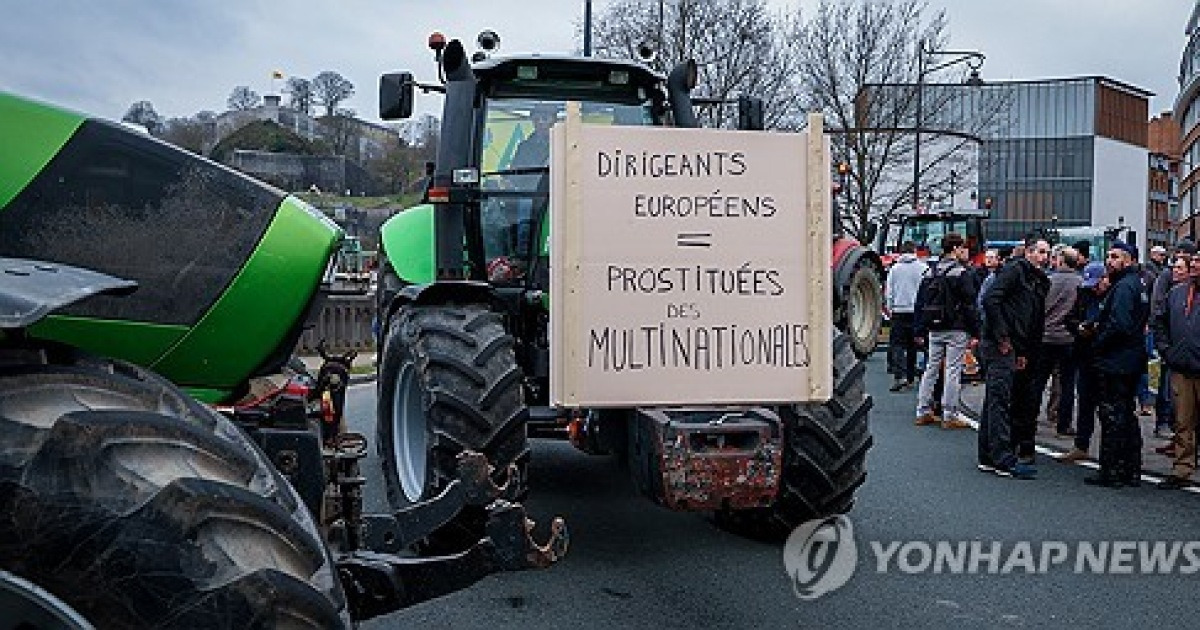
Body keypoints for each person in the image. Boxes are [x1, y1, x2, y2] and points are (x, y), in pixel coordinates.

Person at [978, 237, 1049, 479]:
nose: (1044, 257)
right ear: (1028, 252)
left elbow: (1029, 318)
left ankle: (989, 455)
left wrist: (1023, 350)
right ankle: (1001, 458)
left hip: (1012, 345)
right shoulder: (1015, 272)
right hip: (1001, 345)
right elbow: (991, 300)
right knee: (1000, 400)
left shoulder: (1035, 280)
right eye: (1040, 252)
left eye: (1046, 253)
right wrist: (1002, 337)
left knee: (995, 400)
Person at [1085, 241, 1150, 487]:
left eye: (1115, 257)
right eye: (1108, 256)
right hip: (1130, 358)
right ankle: (1130, 468)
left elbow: (1119, 324)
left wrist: (1098, 340)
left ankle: (1112, 469)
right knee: (1126, 413)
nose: (1109, 261)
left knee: (1113, 414)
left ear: (1129, 260)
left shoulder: (1123, 287)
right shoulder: (1136, 284)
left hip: (1116, 360)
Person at [913, 233, 979, 429]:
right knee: (952, 369)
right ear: (956, 249)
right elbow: (969, 304)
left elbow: (920, 301)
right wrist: (976, 331)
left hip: (934, 326)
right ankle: (949, 413)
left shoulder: (931, 272)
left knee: (931, 368)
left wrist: (920, 328)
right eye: (962, 248)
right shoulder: (960, 273)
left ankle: (923, 409)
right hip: (956, 327)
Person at [1153, 255, 1200, 489]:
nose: (1194, 267)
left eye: (1198, 263)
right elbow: (1159, 322)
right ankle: (1182, 467)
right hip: (1181, 367)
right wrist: (1166, 351)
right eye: (1192, 263)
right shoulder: (1177, 293)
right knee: (1183, 420)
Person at [1058, 261, 1109, 462]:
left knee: (1106, 406)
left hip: (1105, 356)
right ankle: (1081, 444)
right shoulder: (1083, 295)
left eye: (1097, 283)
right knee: (1085, 402)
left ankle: (1109, 449)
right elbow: (1069, 318)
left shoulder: (1112, 295)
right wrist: (1079, 327)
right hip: (1085, 353)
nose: (1095, 288)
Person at [1031, 247, 1082, 438]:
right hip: (1069, 338)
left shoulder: (1048, 281)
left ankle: (1031, 418)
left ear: (1060, 261)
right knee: (1067, 383)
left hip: (1046, 336)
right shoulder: (1080, 282)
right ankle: (1064, 424)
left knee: (1038, 381)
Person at [1150, 239, 1197, 439]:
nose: (1177, 271)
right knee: (1174, 400)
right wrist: (1165, 348)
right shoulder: (1172, 290)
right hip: (1176, 355)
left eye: (1181, 267)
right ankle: (1181, 460)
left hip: (1190, 356)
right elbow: (1159, 316)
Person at [886, 241, 925, 391]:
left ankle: (899, 376)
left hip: (899, 311)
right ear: (915, 251)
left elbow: (889, 291)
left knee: (898, 345)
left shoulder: (895, 269)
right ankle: (910, 377)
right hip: (916, 312)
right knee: (913, 346)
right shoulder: (923, 268)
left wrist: (890, 308)